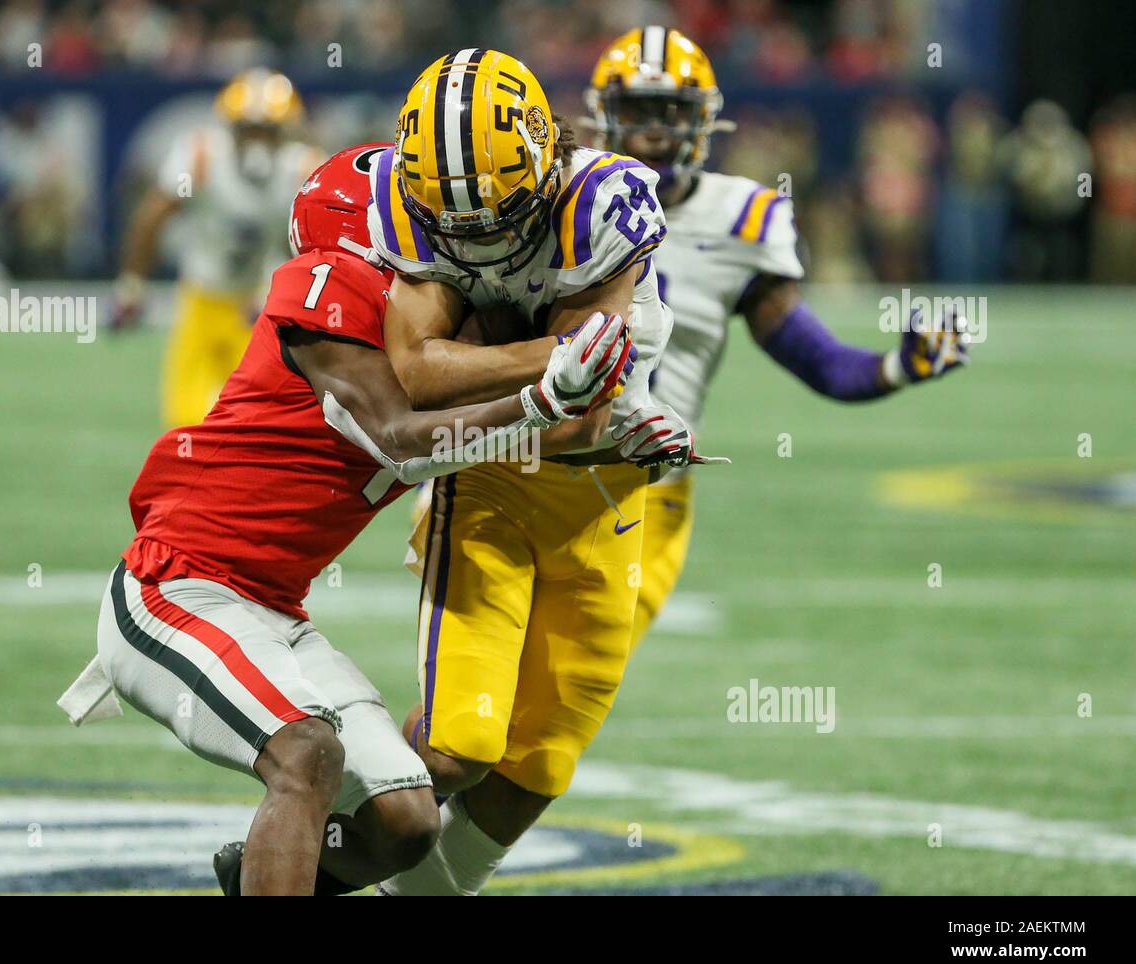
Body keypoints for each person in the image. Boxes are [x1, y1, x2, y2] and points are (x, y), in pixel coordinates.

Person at [63, 143, 634, 895]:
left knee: (405, 821)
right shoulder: (326, 290)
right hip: (177, 589)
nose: (442, 247)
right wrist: (543, 397)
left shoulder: (429, 323)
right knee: (306, 753)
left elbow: (499, 422)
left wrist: (625, 427)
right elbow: (402, 438)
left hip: (271, 607)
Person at [365, 48, 712, 897]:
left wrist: (500, 372)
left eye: (499, 214)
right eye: (458, 219)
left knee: (540, 763)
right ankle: (306, 848)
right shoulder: (409, 202)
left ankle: (406, 896)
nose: (479, 234)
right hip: (489, 488)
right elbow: (414, 372)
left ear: (549, 151)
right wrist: (551, 367)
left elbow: (582, 415)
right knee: (456, 746)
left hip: (605, 503)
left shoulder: (604, 205)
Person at [582, 26, 970, 650]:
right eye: (636, 111)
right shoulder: (561, 196)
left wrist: (897, 367)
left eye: (671, 112)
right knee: (482, 715)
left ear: (704, 121)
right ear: (603, 116)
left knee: (560, 706)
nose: (654, 132)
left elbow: (820, 362)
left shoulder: (742, 221)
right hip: (532, 468)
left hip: (649, 493)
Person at [113, 68, 319, 427]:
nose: (257, 141)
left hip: (258, 307)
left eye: (267, 131)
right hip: (202, 300)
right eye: (248, 129)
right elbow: (152, 216)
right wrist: (132, 286)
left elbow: (314, 248)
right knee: (185, 422)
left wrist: (290, 298)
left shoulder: (304, 167)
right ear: (230, 128)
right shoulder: (201, 155)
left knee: (261, 423)